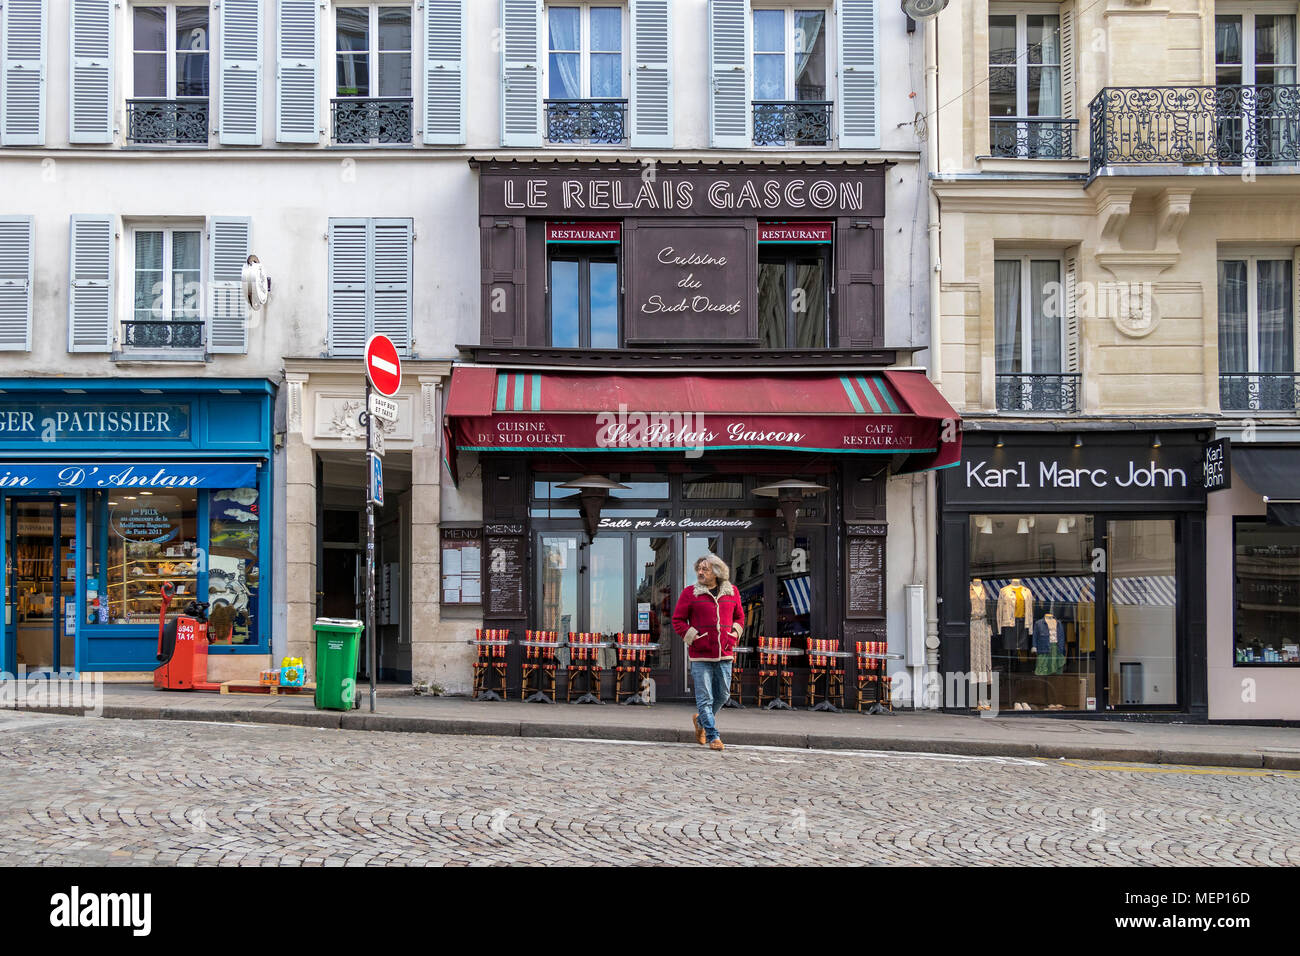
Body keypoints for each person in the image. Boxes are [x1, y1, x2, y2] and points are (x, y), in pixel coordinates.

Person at [672, 553, 744, 751]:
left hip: (725, 653)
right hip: (700, 654)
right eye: (699, 569)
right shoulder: (690, 593)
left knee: (723, 695)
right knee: (705, 698)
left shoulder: (732, 592)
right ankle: (713, 736)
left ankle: (701, 722)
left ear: (717, 572)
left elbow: (740, 618)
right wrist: (693, 636)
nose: (700, 572)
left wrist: (733, 635)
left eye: (705, 569)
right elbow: (677, 620)